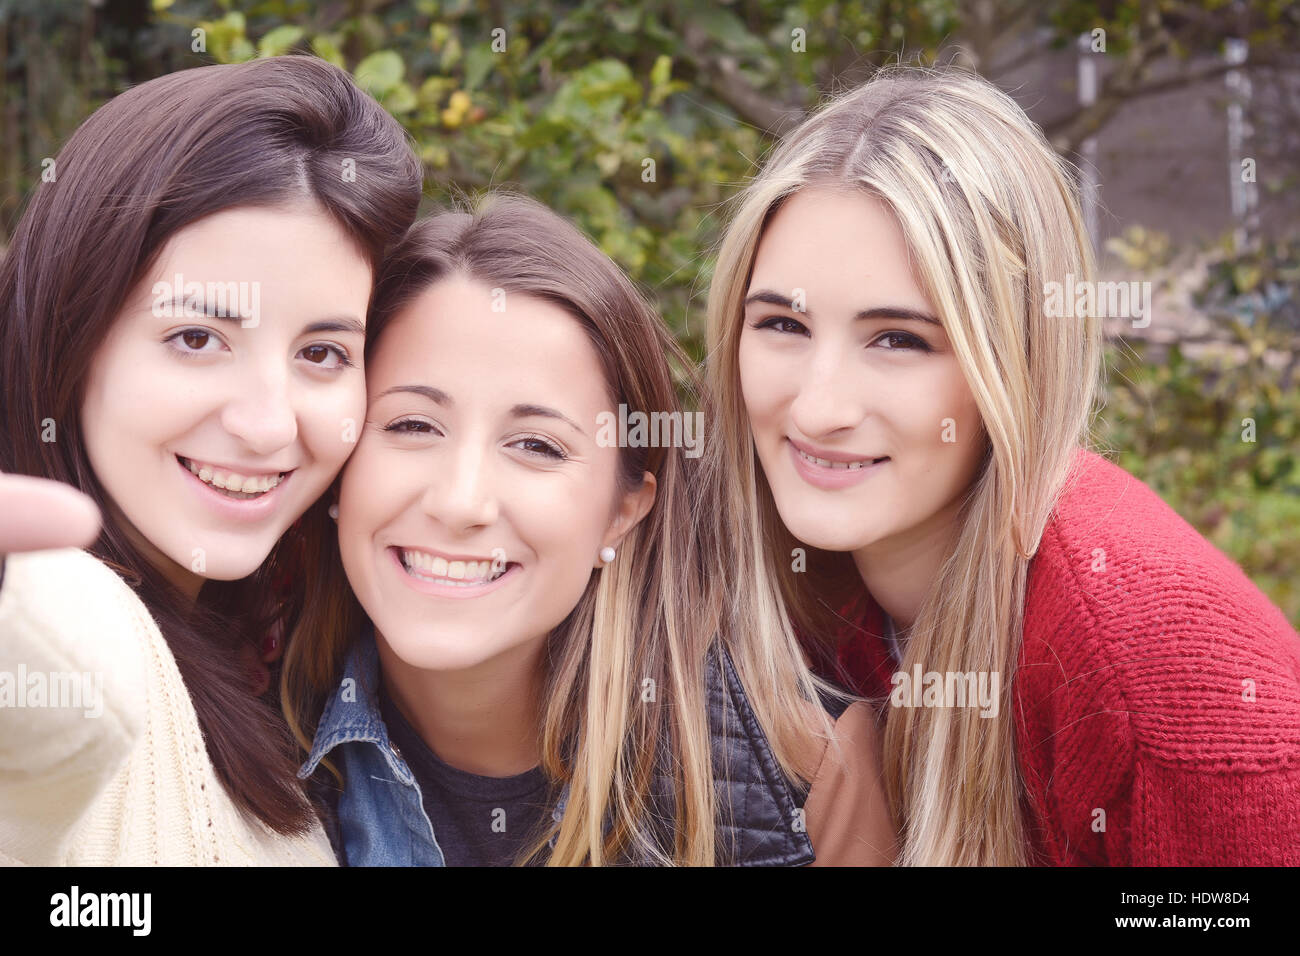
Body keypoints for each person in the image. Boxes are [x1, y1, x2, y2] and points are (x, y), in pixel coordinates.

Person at [703, 65, 1300, 865]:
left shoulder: (1153, 674)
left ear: (1012, 363)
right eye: (782, 323)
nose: (817, 408)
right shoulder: (773, 578)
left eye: (898, 340)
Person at [283, 193, 896, 865]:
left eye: (537, 445)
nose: (460, 503)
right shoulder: (226, 727)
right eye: (411, 426)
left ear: (624, 509)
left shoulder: (807, 770)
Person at [0, 55, 422, 864]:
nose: (268, 425)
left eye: (325, 353)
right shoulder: (76, 613)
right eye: (197, 339)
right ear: (71, 340)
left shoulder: (298, 646)